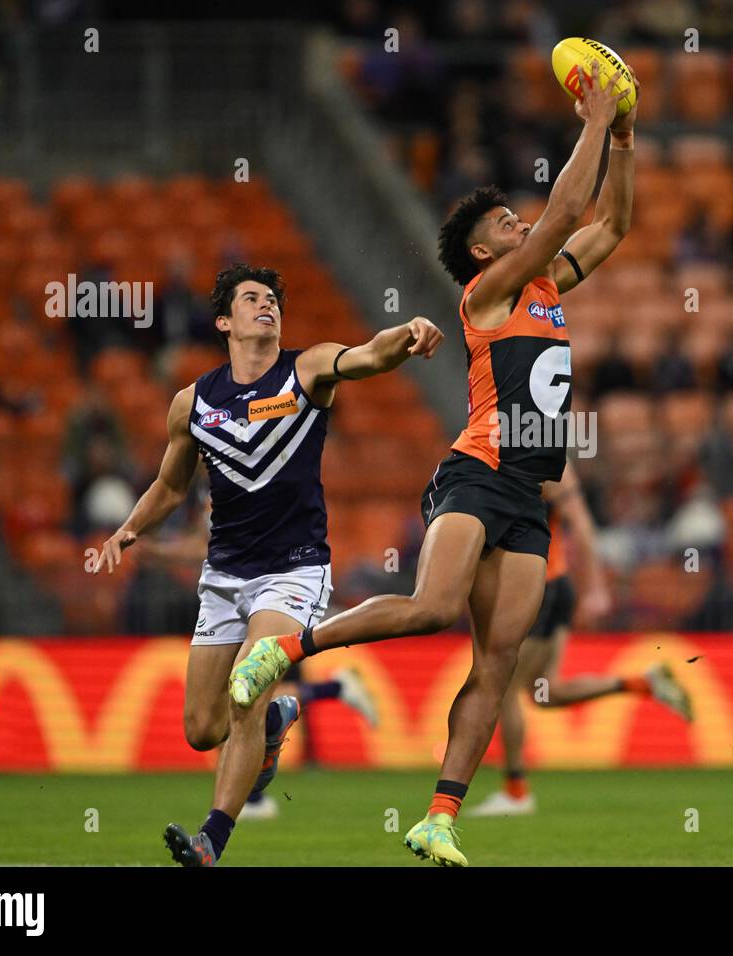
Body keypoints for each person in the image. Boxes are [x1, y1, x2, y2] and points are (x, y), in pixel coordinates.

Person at [228, 64, 637, 866]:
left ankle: (439, 818)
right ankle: (286, 650)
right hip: (476, 471)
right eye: (507, 222)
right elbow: (564, 215)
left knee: (499, 661)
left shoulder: (546, 284)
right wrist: (592, 120)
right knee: (430, 608)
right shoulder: (489, 292)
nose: (523, 224)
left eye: (518, 218)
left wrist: (622, 137)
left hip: (527, 495)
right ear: (483, 250)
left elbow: (613, 222)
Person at [92, 263, 442, 866]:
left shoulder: (307, 370)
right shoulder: (192, 403)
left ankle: (210, 841)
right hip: (224, 576)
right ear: (224, 322)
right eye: (252, 298)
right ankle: (281, 717)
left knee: (245, 691)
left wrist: (406, 332)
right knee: (202, 728)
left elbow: (368, 355)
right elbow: (171, 486)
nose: (267, 305)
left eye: (273, 299)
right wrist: (129, 529)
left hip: (293, 569)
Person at [467, 463, 691, 817]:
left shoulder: (538, 462)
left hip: (536, 588)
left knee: (502, 687)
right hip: (552, 585)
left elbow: (581, 523)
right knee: (546, 691)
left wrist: (597, 587)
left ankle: (516, 791)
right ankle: (642, 683)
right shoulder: (532, 459)